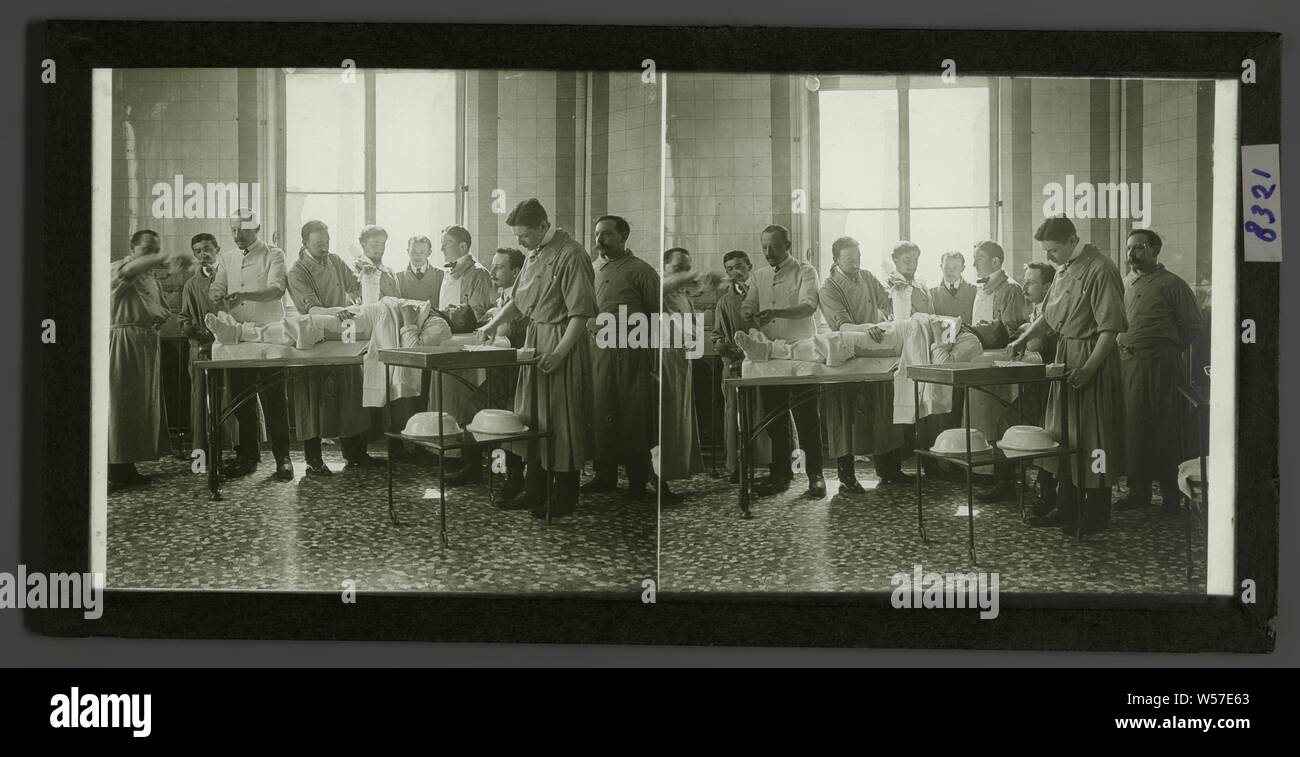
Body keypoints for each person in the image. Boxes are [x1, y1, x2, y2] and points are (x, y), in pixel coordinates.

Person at [478, 198, 596, 519]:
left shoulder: (571, 255)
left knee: (562, 422)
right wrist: (492, 323)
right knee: (533, 419)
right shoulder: (536, 253)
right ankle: (535, 490)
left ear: (544, 226)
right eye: (517, 236)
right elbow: (518, 299)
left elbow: (581, 314)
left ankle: (564, 498)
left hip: (561, 341)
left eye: (524, 236)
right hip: (535, 339)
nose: (520, 243)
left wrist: (559, 354)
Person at [1010, 216, 1127, 535]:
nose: (1049, 257)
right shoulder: (1064, 269)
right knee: (1064, 435)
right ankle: (1067, 505)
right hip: (1066, 356)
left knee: (1095, 440)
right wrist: (1021, 340)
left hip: (1093, 358)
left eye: (1053, 250)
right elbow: (1048, 316)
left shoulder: (1101, 268)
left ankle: (1098, 510)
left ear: (1073, 241)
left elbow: (1110, 328)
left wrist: (1089, 368)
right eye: (1045, 251)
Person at [818, 237, 913, 493]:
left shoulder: (868, 277)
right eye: (850, 261)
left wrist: (897, 291)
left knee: (883, 411)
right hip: (845, 355)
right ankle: (846, 477)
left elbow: (886, 302)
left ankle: (889, 470)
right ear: (836, 259)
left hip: (876, 354)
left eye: (858, 259)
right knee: (844, 415)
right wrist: (867, 328)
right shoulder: (828, 288)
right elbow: (842, 325)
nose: (856, 264)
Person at [1117, 229, 1201, 516]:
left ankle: (1171, 497)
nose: (1131, 254)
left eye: (1138, 248)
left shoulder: (1172, 284)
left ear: (1154, 250)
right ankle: (1138, 492)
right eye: (1129, 248)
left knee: (1166, 429)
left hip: (1162, 365)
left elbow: (1192, 326)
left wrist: (1165, 348)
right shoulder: (1125, 282)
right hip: (1130, 365)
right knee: (1134, 428)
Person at [286, 219, 378, 475]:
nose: (325, 248)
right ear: (305, 244)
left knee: (350, 391)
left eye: (326, 243)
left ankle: (355, 453)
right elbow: (312, 309)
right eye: (318, 244)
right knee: (312, 397)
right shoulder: (297, 271)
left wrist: (366, 276)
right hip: (315, 336)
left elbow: (354, 287)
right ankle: (313, 460)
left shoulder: (336, 260)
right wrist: (339, 310)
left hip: (344, 332)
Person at [208, 209, 294, 481]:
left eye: (243, 230)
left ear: (255, 229)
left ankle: (283, 459)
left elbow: (277, 289)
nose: (237, 236)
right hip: (238, 339)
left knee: (275, 401)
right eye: (233, 230)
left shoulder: (274, 254)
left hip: (270, 337)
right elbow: (216, 288)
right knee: (242, 401)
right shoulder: (227, 258)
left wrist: (244, 294)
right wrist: (217, 293)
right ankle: (249, 457)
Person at [740, 224, 826, 499]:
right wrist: (747, 310)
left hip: (801, 353)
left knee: (807, 416)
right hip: (770, 355)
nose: (769, 252)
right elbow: (749, 305)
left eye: (775, 247)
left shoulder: (805, 271)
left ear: (788, 246)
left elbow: (809, 306)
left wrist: (776, 311)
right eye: (764, 247)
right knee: (775, 418)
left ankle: (815, 475)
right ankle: (781, 474)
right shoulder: (759, 275)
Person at [582, 215, 660, 501]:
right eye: (597, 234)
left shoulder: (642, 271)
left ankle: (637, 482)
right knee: (602, 413)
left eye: (607, 234)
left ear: (624, 237)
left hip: (631, 356)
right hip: (598, 355)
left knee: (632, 417)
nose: (600, 240)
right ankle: (605, 476)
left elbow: (657, 317)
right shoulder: (593, 269)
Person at [445, 248, 530, 495]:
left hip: (520, 375)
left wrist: (497, 327)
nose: (492, 272)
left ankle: (512, 477)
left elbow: (512, 335)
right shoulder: (503, 296)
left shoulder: (523, 299)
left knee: (507, 420)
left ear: (516, 271)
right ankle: (471, 467)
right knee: (473, 407)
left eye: (499, 267)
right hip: (502, 373)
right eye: (493, 266)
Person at [109, 229, 182, 492]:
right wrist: (165, 256)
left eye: (156, 249)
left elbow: (162, 309)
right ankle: (113, 470)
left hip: (145, 344)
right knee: (119, 405)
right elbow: (129, 273)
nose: (153, 255)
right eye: (147, 249)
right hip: (123, 341)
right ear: (132, 249)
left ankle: (127, 466)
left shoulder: (152, 279)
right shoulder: (121, 268)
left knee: (137, 409)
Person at [710, 250, 771, 484]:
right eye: (730, 268)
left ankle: (772, 463)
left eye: (739, 266)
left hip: (765, 363)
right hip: (736, 365)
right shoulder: (725, 301)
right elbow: (716, 334)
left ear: (750, 266)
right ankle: (737, 466)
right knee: (734, 416)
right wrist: (721, 345)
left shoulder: (763, 294)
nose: (735, 271)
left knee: (766, 411)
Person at [659, 248, 711, 504]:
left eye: (688, 266)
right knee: (664, 421)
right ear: (664, 266)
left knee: (678, 419)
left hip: (681, 360)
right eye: (679, 267)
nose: (685, 273)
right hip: (663, 360)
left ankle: (671, 474)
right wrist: (697, 274)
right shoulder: (660, 287)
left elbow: (692, 327)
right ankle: (657, 481)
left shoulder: (681, 295)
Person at [179, 232, 234, 456]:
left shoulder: (229, 277)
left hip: (230, 346)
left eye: (207, 249)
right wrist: (190, 329)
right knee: (201, 396)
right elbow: (183, 317)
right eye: (198, 251)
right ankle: (203, 449)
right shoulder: (191, 284)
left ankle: (233, 448)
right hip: (201, 347)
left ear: (217, 249)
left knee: (230, 393)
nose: (204, 255)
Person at [353, 225, 399, 304]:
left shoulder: (390, 273)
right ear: (363, 244)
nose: (380, 248)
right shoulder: (354, 271)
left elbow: (398, 304)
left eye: (383, 244)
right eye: (375, 244)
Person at [930, 251, 976, 325]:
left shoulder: (975, 292)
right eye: (947, 267)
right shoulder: (931, 294)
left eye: (955, 267)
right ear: (941, 267)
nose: (950, 271)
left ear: (962, 268)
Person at [394, 235, 442, 307]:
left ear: (429, 253)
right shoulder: (397, 278)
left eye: (422, 252)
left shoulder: (441, 276)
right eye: (414, 252)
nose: (417, 256)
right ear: (408, 251)